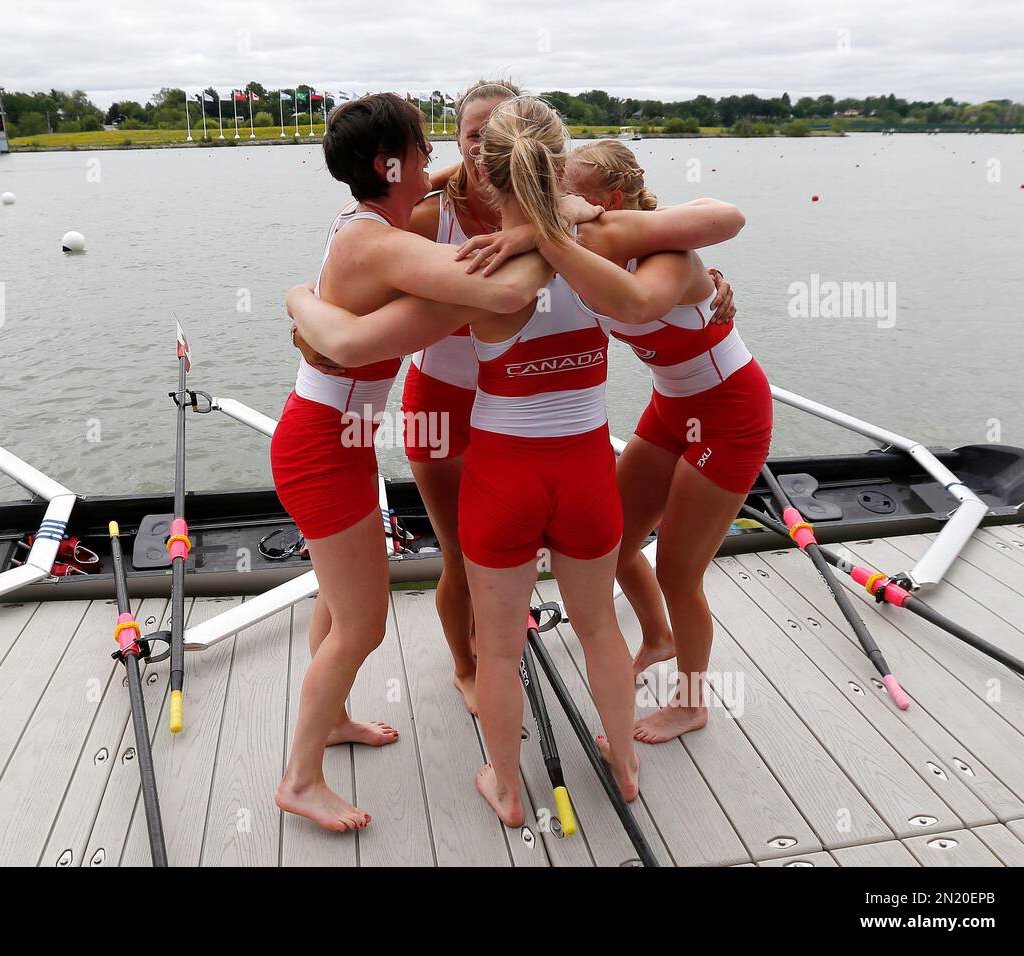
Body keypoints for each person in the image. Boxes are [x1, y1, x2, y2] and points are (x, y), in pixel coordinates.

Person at [288, 97, 747, 826]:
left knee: (487, 640)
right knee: (584, 619)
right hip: (562, 456)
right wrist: (566, 223)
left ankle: (504, 783)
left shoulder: (479, 263)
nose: (456, 150)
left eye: (475, 142)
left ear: (491, 166)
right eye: (447, 140)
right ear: (555, 165)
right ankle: (619, 760)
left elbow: (362, 339)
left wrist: (301, 302)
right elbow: (711, 227)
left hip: (497, 462)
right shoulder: (590, 240)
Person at [272, 93, 565, 833]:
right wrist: (553, 232)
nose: (433, 157)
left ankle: (330, 717)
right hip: (321, 447)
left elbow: (444, 210)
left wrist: (300, 297)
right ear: (387, 163)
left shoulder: (376, 223)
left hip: (334, 437)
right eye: (422, 147)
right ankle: (300, 779)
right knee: (363, 626)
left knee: (339, 606)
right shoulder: (380, 242)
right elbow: (499, 292)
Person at [459, 138, 772, 744]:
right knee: (616, 542)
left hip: (731, 412)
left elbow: (643, 295)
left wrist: (544, 233)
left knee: (681, 570)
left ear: (613, 201)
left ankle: (692, 701)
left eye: (568, 189)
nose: (554, 197)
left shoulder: (664, 252)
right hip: (670, 407)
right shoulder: (580, 245)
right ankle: (656, 637)